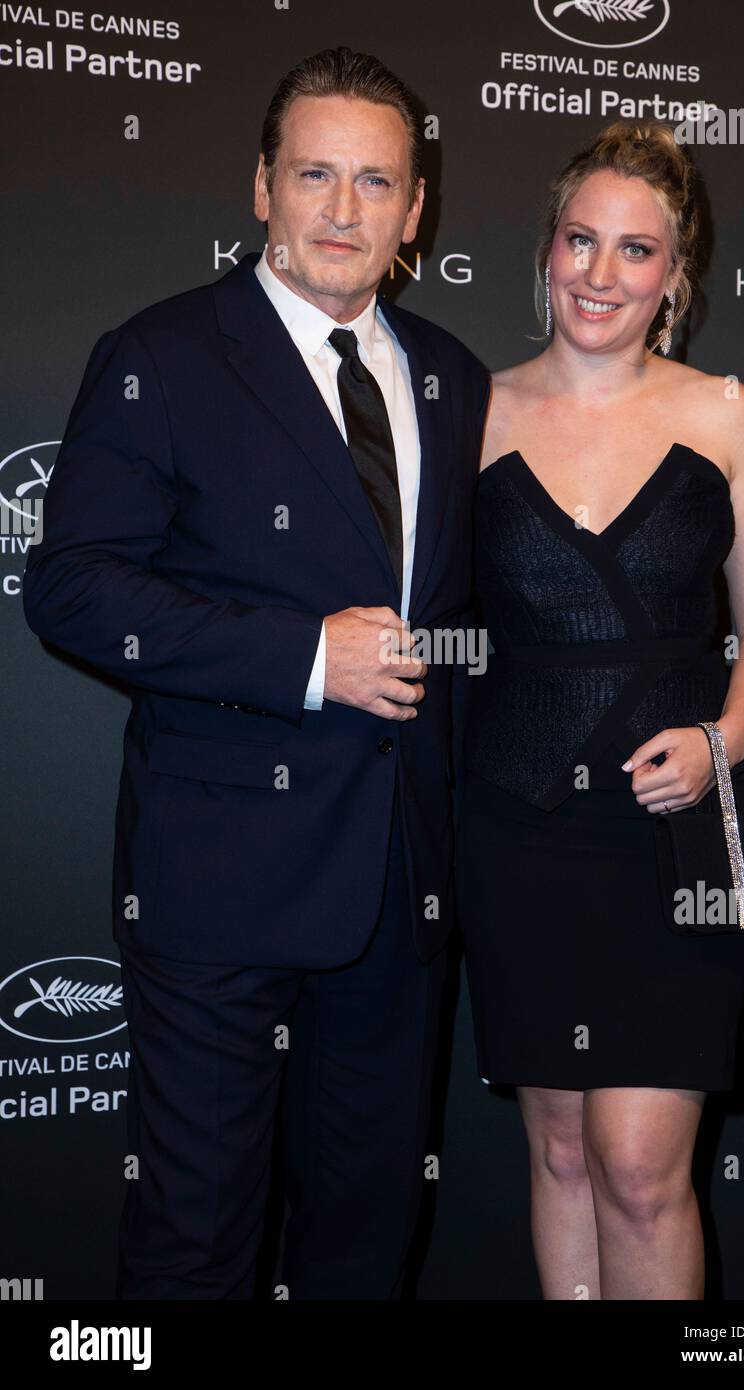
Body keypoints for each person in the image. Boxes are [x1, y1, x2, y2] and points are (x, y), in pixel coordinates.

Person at [23, 46, 489, 1300]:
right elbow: (69, 586)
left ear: (414, 210)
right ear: (260, 191)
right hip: (220, 883)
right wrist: (299, 658)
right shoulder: (164, 355)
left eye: (375, 182)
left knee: (365, 1237)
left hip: (401, 884)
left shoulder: (447, 374)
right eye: (315, 175)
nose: (344, 210)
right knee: (197, 1242)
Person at [455, 121, 744, 1300]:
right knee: (556, 1149)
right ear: (546, 250)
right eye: (580, 240)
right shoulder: (471, 414)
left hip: (682, 833)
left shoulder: (725, 415)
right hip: (519, 824)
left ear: (674, 273)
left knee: (641, 1167)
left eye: (635, 250)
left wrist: (721, 743)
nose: (600, 274)